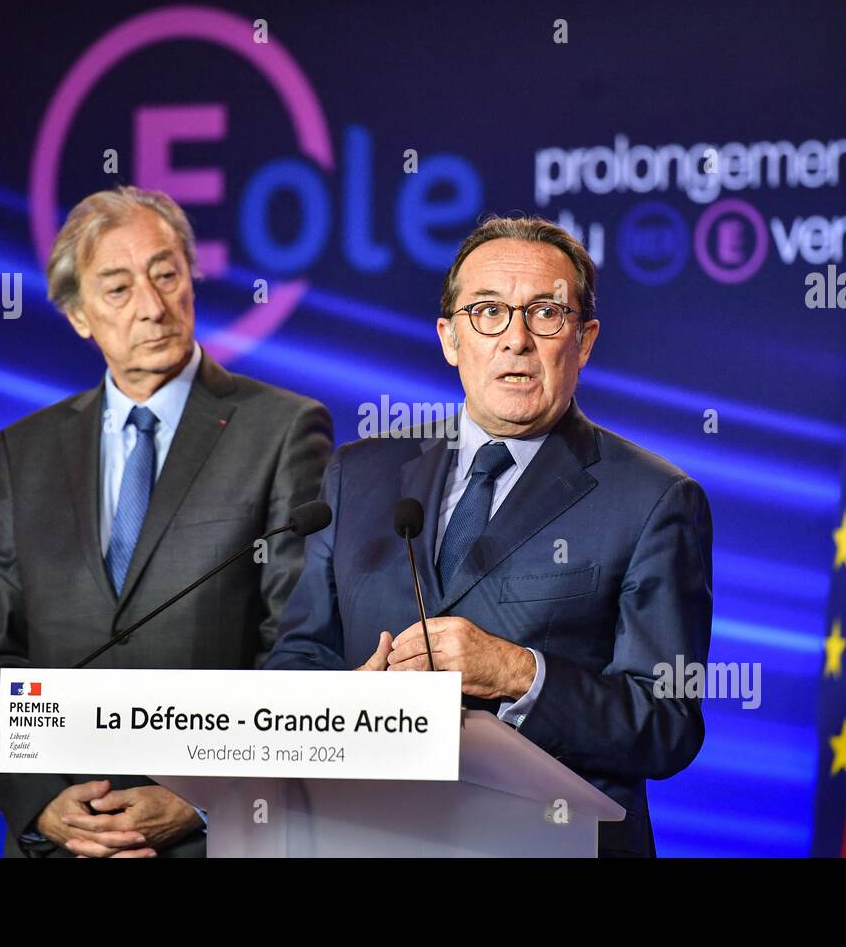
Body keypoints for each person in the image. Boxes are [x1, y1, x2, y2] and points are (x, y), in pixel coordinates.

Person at [264, 215, 711, 856]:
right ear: (449, 339)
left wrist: (516, 673)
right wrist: (344, 708)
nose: (516, 340)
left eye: (546, 314)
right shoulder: (359, 475)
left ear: (584, 341)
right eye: (487, 312)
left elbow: (668, 724)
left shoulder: (653, 499)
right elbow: (299, 661)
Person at [0, 186, 333, 858]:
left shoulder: (282, 430)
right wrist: (43, 802)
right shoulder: (27, 450)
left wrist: (201, 799)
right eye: (118, 288)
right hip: (59, 844)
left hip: (214, 841)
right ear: (78, 314)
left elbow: (297, 650)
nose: (153, 307)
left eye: (166, 274)